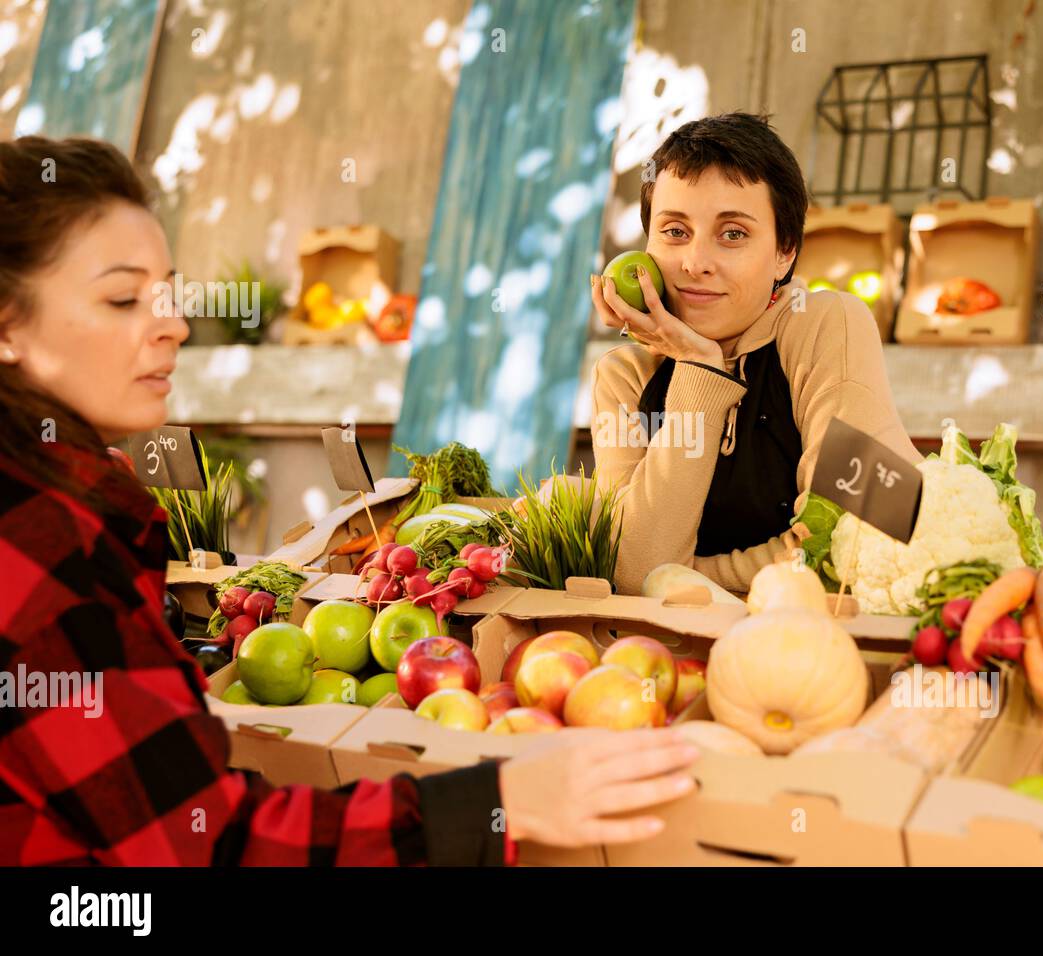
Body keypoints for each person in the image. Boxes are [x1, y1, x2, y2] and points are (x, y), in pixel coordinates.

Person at [0, 136, 698, 866]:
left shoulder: (64, 508)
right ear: (8, 323)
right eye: (121, 298)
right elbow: (211, 848)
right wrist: (496, 807)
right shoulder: (39, 546)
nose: (172, 323)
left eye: (169, 292)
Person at [589, 111, 922, 596]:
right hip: (663, 661)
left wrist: (690, 579)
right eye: (675, 232)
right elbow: (633, 568)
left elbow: (859, 527)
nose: (696, 263)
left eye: (733, 234)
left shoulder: (826, 324)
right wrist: (699, 367)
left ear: (785, 251)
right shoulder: (625, 374)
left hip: (808, 646)